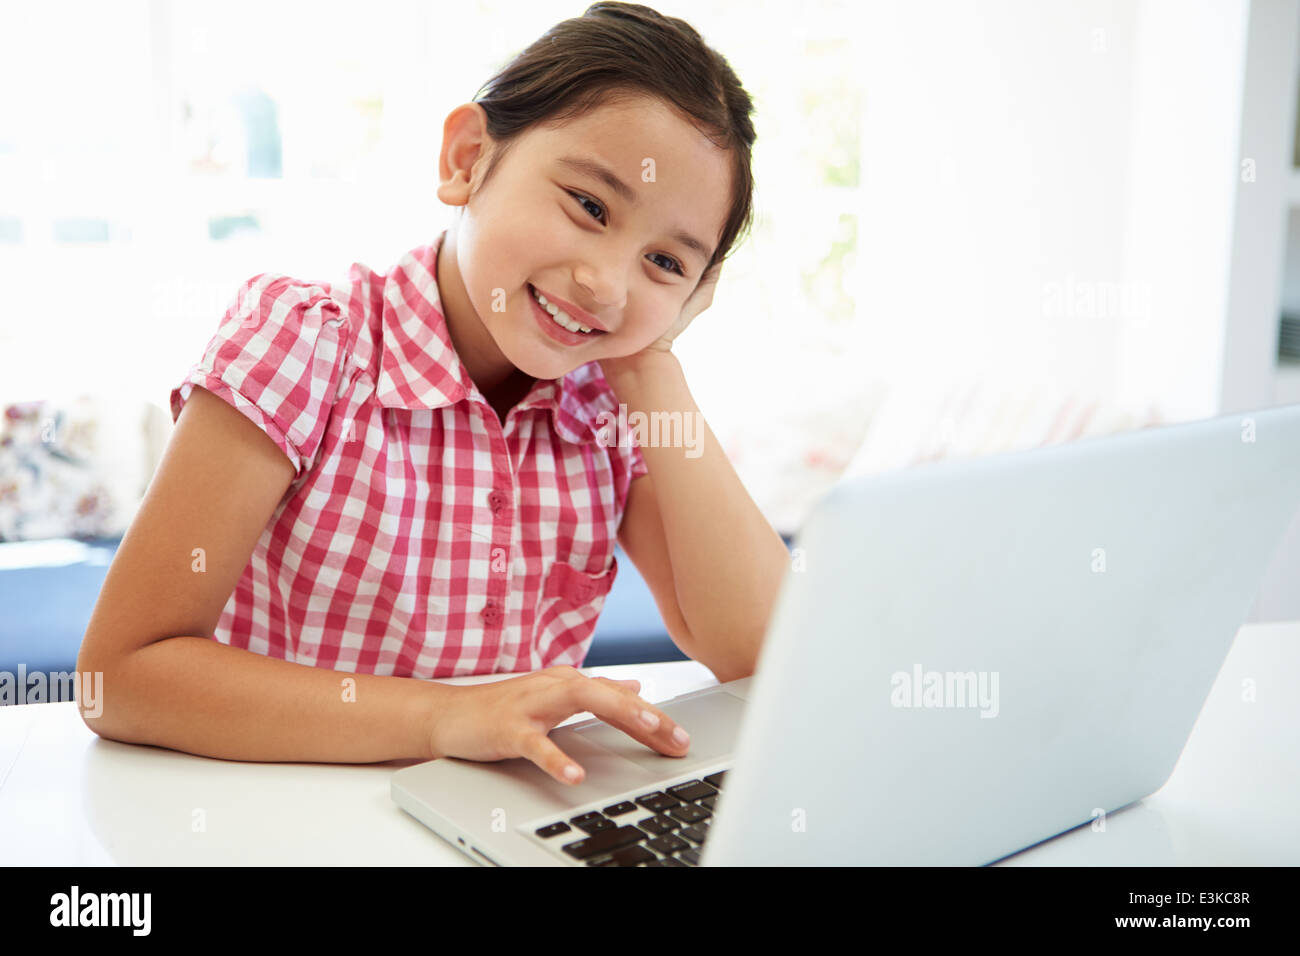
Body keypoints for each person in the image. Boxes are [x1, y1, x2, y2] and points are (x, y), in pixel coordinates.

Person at [77, 2, 790, 784]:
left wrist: (651, 368)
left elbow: (763, 658)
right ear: (468, 157)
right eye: (590, 206)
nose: (605, 284)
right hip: (287, 819)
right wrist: (448, 714)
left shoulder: (615, 408)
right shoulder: (307, 342)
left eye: (665, 263)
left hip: (504, 827)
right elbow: (122, 675)